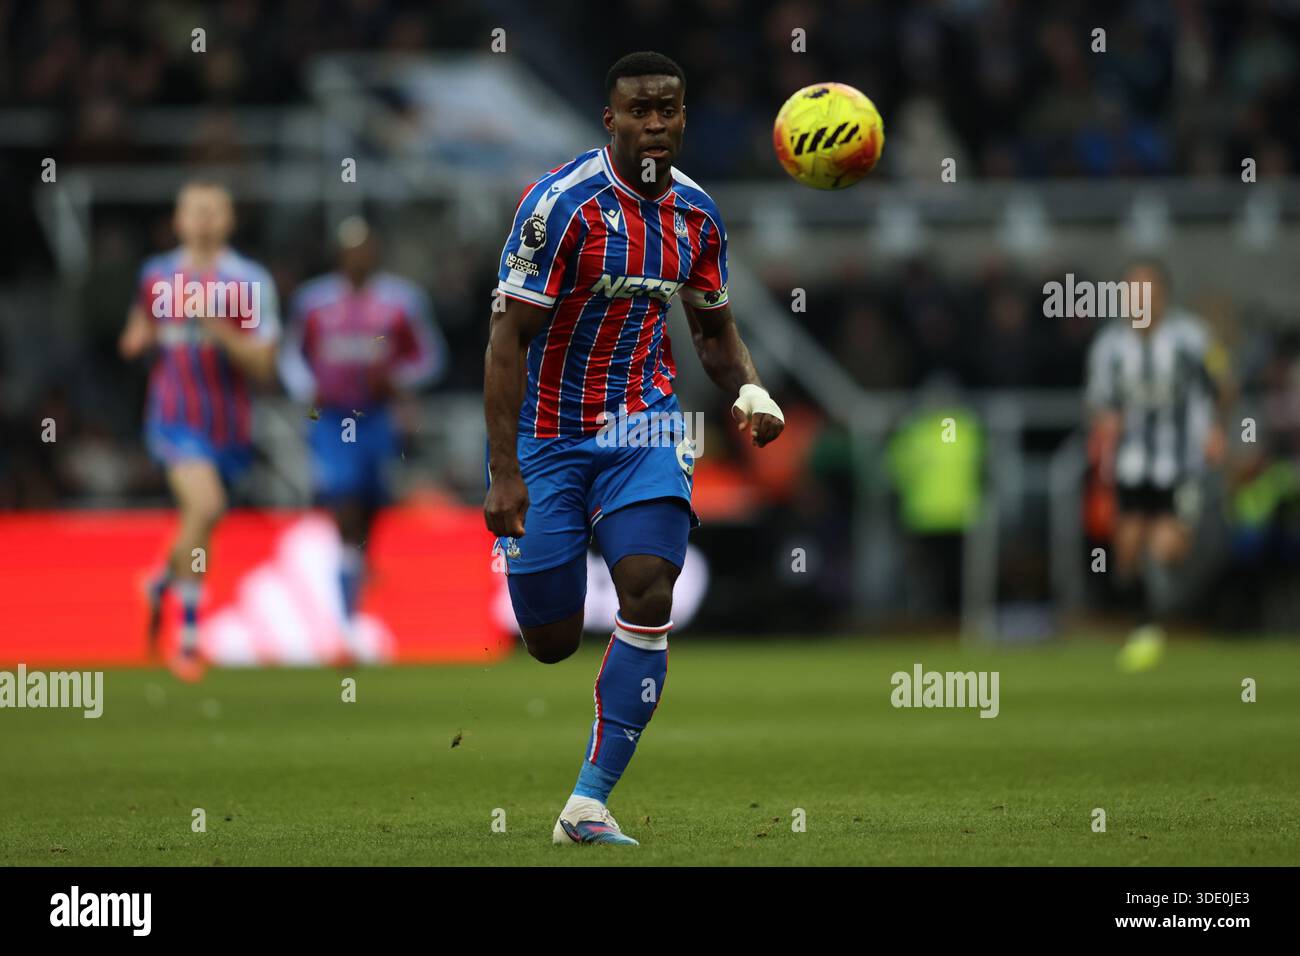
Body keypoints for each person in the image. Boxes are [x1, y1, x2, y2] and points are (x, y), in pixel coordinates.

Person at [483, 51, 784, 845]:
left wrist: (747, 387)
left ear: (684, 117)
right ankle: (549, 598)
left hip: (643, 423)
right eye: (639, 111)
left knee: (648, 589)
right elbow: (506, 341)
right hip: (548, 436)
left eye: (669, 110)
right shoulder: (560, 208)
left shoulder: (697, 216)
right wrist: (505, 471)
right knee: (549, 640)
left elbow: (712, 327)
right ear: (608, 119)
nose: (655, 124)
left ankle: (587, 802)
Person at [119, 180, 280, 681]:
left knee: (201, 522)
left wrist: (214, 326)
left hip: (228, 424)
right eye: (195, 211)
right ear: (180, 219)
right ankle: (187, 641)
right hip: (173, 417)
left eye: (214, 211)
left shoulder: (249, 282)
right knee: (205, 507)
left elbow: (263, 365)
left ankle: (164, 584)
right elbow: (134, 337)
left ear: (228, 220)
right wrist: (144, 335)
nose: (205, 219)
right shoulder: (157, 275)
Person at [280, 217, 445, 659]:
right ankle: (346, 623)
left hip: (379, 419)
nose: (358, 257)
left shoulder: (400, 302)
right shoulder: (313, 302)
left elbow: (429, 356)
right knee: (345, 503)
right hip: (334, 420)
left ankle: (356, 583)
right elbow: (292, 357)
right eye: (350, 250)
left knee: (372, 507)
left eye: (364, 249)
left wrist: (398, 377)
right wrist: (306, 387)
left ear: (374, 253)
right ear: (340, 255)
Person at [1085, 258, 1225, 668]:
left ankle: (1181, 610)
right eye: (1132, 291)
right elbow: (1098, 401)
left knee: (1167, 547)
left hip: (1182, 463)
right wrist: (1104, 424)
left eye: (1147, 290)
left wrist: (1216, 427)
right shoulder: (1110, 346)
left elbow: (1220, 385)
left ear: (1164, 295)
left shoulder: (1192, 339)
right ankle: (1145, 629)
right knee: (1126, 549)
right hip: (1132, 462)